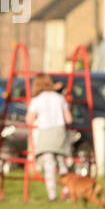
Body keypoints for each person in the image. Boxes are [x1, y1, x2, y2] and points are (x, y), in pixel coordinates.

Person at [25, 74, 72, 202]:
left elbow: (29, 119)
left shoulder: (36, 100)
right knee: (62, 164)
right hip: (59, 132)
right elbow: (69, 118)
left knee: (49, 165)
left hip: (45, 133)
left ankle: (52, 195)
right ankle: (67, 192)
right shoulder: (59, 98)